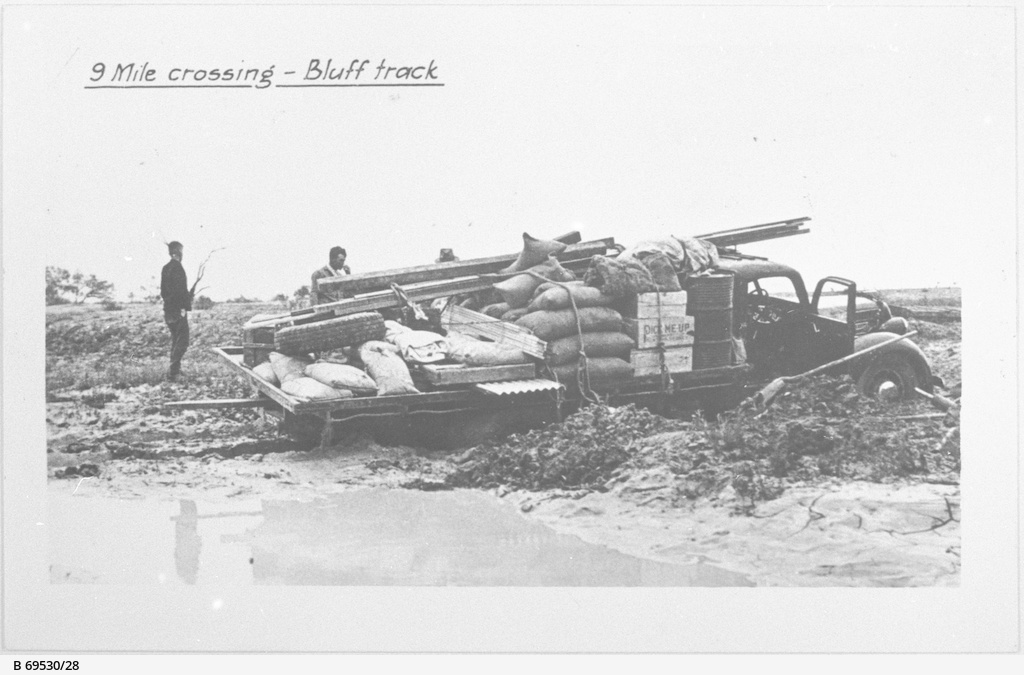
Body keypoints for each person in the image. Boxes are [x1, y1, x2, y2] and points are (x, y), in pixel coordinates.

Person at [161, 241, 193, 381]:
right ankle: (174, 373)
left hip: (168, 310)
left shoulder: (165, 268)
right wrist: (183, 308)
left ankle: (174, 370)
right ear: (179, 252)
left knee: (176, 340)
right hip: (177, 311)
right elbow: (180, 291)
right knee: (183, 341)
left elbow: (163, 292)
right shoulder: (178, 268)